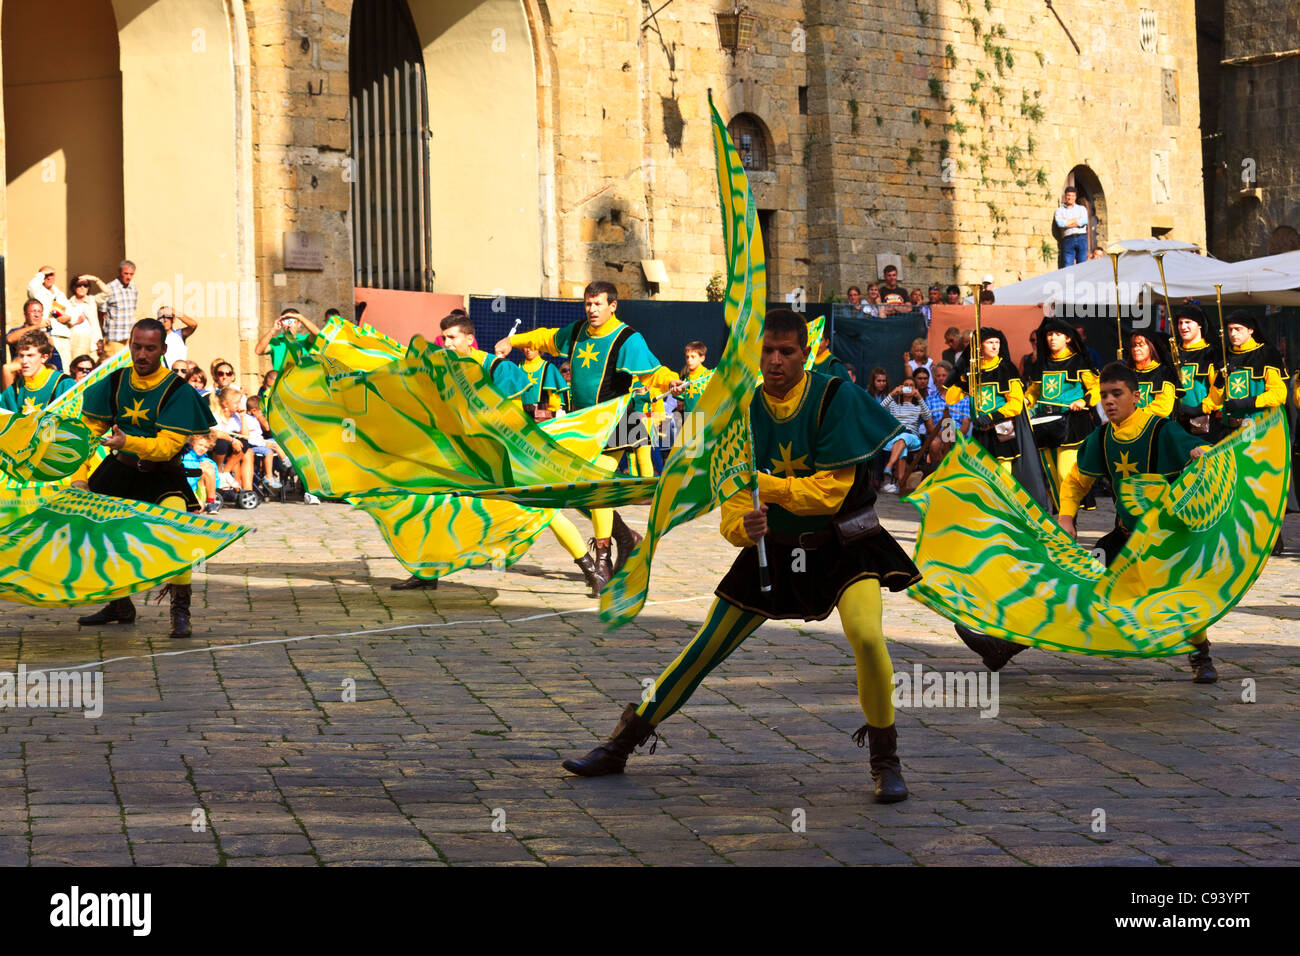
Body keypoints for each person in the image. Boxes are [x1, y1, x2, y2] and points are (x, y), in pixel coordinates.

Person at [560, 309, 920, 803]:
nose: (775, 361)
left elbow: (827, 495)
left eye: (786, 352)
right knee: (703, 648)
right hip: (773, 549)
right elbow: (732, 505)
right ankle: (621, 744)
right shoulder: (739, 413)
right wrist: (743, 528)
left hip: (843, 546)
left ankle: (886, 759)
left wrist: (759, 484)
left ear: (803, 352)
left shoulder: (835, 397)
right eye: (767, 351)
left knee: (867, 638)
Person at [390, 312, 607, 597]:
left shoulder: (498, 369)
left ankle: (593, 572)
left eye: (453, 338)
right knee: (432, 505)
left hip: (505, 457)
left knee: (543, 513)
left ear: (469, 339)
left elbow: (510, 419)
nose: (447, 344)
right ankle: (426, 572)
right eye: (444, 338)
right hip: (464, 455)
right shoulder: (445, 370)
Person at [497, 281, 685, 581]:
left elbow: (654, 372)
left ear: (613, 306)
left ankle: (602, 559)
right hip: (583, 423)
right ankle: (625, 537)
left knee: (597, 484)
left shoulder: (628, 338)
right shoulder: (577, 331)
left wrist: (672, 380)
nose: (592, 309)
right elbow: (546, 338)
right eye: (588, 303)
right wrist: (514, 341)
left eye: (597, 304)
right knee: (576, 487)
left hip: (621, 420)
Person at [1057, 362, 1217, 682]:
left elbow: (1199, 449)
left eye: (1117, 394)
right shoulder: (1102, 437)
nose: (1109, 401)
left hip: (1165, 539)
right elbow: (1076, 481)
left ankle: (1201, 653)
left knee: (1179, 598)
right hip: (1123, 536)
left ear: (1137, 395)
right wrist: (1065, 517)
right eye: (1104, 395)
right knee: (1074, 581)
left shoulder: (1162, 429)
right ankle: (1006, 641)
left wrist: (1201, 452)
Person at [71, 318, 217, 638]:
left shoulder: (177, 391)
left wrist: (128, 442)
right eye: (136, 346)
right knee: (99, 533)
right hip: (118, 470)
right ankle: (120, 603)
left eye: (150, 348)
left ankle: (180, 610)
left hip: (160, 474)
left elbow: (166, 448)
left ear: (163, 349)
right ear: (130, 346)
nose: (142, 354)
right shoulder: (115, 382)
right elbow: (84, 436)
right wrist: (80, 477)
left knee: (177, 530)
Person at [1025, 317, 1099, 508]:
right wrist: (1027, 399)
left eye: (1058, 334)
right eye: (1049, 334)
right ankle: (1066, 520)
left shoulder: (1079, 360)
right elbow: (1034, 390)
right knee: (1051, 475)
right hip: (1044, 423)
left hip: (1071, 423)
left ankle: (1069, 515)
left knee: (1065, 472)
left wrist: (1084, 400)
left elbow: (1096, 387)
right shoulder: (1041, 362)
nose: (1052, 338)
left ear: (1067, 338)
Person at [945, 327, 1025, 472]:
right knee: (984, 475)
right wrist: (962, 378)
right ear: (979, 346)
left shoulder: (1007, 368)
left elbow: (1016, 404)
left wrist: (991, 417)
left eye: (997, 342)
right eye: (990, 342)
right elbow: (950, 399)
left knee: (1003, 475)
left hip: (1002, 428)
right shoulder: (972, 370)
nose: (995, 346)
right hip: (980, 430)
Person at [1171, 305, 1221, 436]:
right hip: (1175, 423)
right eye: (1180, 323)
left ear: (1200, 325)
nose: (1183, 327)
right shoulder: (1173, 353)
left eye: (1188, 322)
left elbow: (1218, 389)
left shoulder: (1212, 353)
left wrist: (1199, 409)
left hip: (1204, 423)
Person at [0, 330, 76, 413]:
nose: (24, 361)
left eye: (30, 355)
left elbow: (70, 421)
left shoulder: (64, 384)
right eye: (21, 355)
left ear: (44, 358)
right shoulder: (15, 389)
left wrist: (39, 418)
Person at [880, 375, 931, 494]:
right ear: (901, 388)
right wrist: (892, 393)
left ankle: (889, 465)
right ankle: (901, 484)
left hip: (913, 438)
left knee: (903, 437)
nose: (908, 388)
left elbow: (927, 417)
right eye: (906, 386)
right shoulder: (894, 404)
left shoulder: (918, 405)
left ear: (915, 389)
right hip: (896, 439)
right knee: (901, 441)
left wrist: (919, 397)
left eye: (911, 386)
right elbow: (879, 409)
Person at [1125, 329, 1178, 418]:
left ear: (1151, 347)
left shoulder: (1164, 372)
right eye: (1133, 346)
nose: (1136, 349)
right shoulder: (1128, 373)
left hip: (1156, 425)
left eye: (1141, 345)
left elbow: (1163, 407)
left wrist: (1135, 414)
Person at [97, 260, 139, 357]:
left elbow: (133, 310)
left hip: (130, 337)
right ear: (119, 272)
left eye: (131, 274)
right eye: (126, 273)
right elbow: (101, 314)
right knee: (115, 369)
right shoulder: (109, 288)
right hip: (114, 337)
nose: (128, 277)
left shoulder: (133, 288)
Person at [255, 309, 321, 371]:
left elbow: (319, 334)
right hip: (282, 380)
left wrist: (300, 317)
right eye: (287, 321)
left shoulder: (304, 339)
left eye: (292, 322)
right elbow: (258, 351)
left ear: (299, 324)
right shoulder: (277, 341)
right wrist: (273, 330)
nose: (290, 325)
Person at [519, 345, 569, 420]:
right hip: (522, 415)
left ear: (539, 348)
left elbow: (553, 396)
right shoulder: (518, 367)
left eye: (531, 346)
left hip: (543, 416)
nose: (528, 350)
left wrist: (554, 411)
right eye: (525, 347)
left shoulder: (548, 367)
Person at [64, 276, 104, 362]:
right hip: (76, 339)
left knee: (94, 365)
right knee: (79, 364)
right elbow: (64, 324)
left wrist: (95, 279)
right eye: (79, 285)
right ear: (74, 287)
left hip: (93, 340)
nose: (82, 287)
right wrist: (77, 322)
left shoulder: (92, 300)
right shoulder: (68, 304)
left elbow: (107, 293)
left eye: (85, 285)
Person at [1055, 187, 1090, 266]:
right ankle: (1069, 279)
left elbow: (1084, 221)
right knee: (1068, 265)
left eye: (1072, 196)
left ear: (1075, 197)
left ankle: (1081, 278)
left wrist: (1067, 223)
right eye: (1068, 195)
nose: (1070, 198)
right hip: (1068, 239)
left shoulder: (1082, 209)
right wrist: (1076, 220)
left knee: (1082, 264)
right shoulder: (1059, 210)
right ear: (1065, 196)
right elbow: (1060, 224)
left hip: (1081, 237)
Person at [679, 341, 714, 416]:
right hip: (689, 420)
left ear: (702, 358)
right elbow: (680, 404)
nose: (689, 360)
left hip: (706, 418)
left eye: (693, 356)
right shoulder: (684, 379)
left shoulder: (709, 375)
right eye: (687, 357)